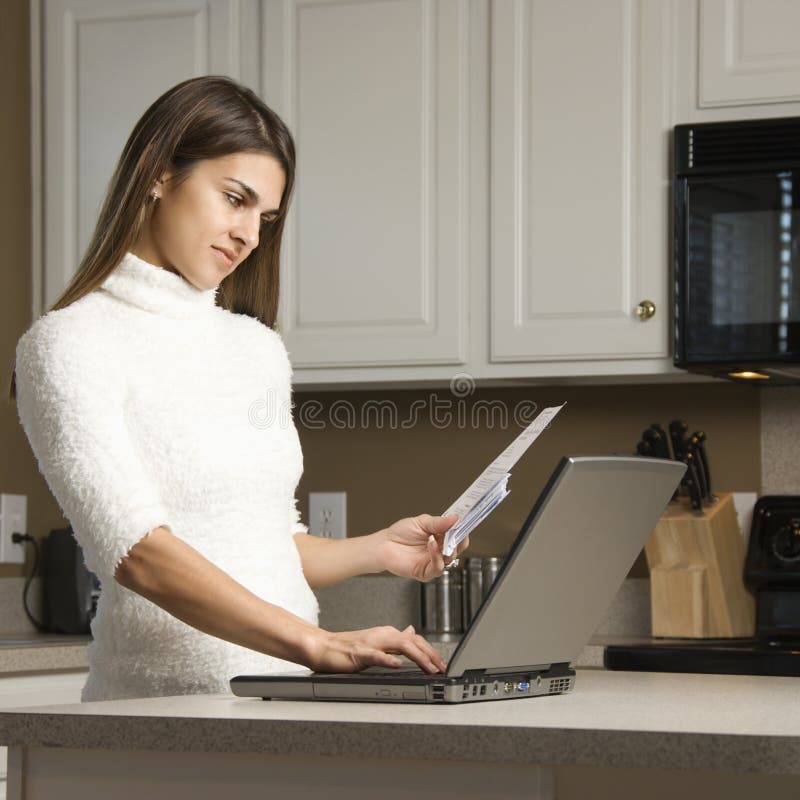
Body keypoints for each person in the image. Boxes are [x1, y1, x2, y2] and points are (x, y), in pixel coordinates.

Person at [9, 76, 468, 702]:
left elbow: (265, 543)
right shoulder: (67, 344)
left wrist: (377, 550)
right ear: (159, 175)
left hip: (289, 698)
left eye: (265, 216)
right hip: (162, 715)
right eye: (234, 198)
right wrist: (319, 643)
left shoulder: (257, 350)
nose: (250, 234)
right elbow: (137, 552)